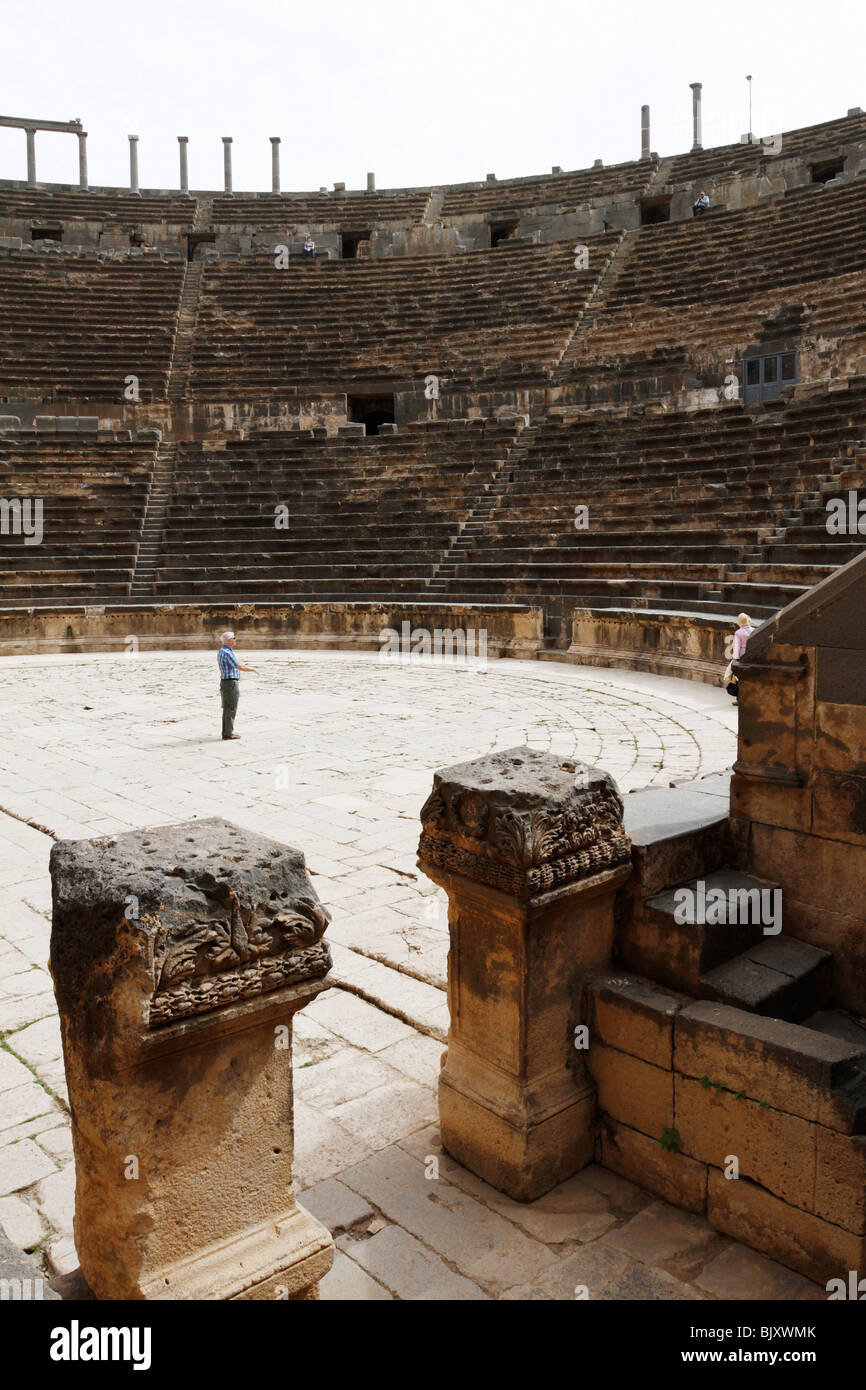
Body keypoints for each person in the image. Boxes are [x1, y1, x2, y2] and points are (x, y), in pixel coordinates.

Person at [217, 631, 258, 740]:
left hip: (225, 682)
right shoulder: (227, 653)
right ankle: (228, 733)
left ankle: (226, 732)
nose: (235, 640)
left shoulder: (222, 651)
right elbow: (239, 666)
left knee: (227, 708)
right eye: (234, 638)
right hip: (230, 683)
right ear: (229, 640)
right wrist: (253, 669)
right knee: (231, 708)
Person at [723, 613, 756, 704]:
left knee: (738, 678)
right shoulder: (753, 630)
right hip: (751, 656)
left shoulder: (738, 633)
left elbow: (737, 647)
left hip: (741, 657)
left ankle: (740, 698)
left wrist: (734, 658)